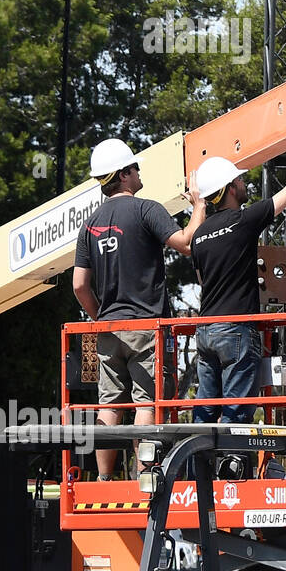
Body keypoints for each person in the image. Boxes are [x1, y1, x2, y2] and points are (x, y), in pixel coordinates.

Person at [73, 139, 206, 478]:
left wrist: (100, 317)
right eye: (135, 168)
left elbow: (78, 285)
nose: (139, 172)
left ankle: (102, 481)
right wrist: (200, 207)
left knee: (109, 405)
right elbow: (186, 244)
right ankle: (144, 479)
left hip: (108, 329)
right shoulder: (147, 209)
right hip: (146, 327)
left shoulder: (89, 224)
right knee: (147, 402)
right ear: (124, 175)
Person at [191, 150, 286, 426]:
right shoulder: (243, 221)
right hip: (235, 328)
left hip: (205, 330)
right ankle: (231, 465)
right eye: (241, 181)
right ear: (231, 189)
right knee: (236, 412)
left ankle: (199, 467)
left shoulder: (199, 235)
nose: (245, 185)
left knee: (205, 411)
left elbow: (203, 281)